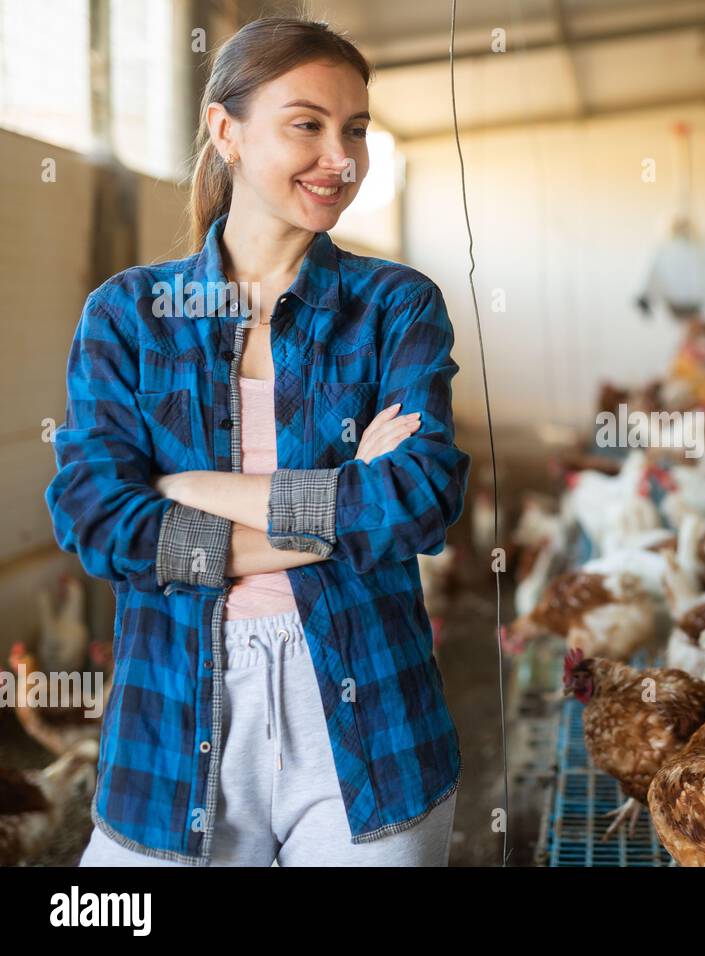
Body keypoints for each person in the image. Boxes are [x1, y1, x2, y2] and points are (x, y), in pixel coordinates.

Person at [45, 16, 471, 866]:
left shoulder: (396, 306)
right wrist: (343, 508)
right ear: (225, 131)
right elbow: (95, 518)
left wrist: (181, 485)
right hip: (172, 720)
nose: (340, 157)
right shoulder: (129, 314)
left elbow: (421, 498)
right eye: (306, 124)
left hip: (371, 728)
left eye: (356, 130)